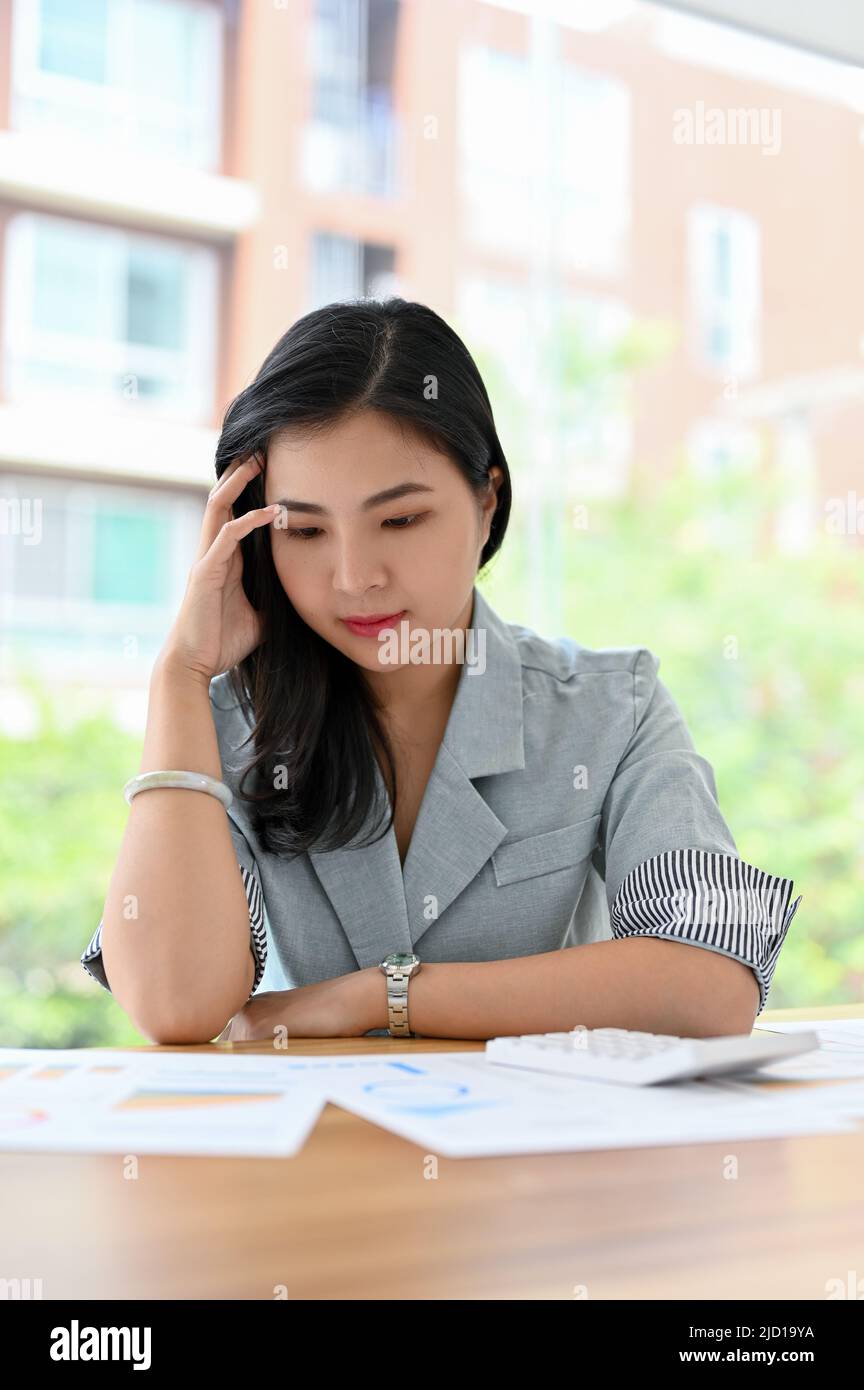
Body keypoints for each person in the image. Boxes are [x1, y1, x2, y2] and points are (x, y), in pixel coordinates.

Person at [81, 298, 801, 1045]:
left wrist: (381, 997)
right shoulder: (222, 725)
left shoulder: (613, 707)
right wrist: (179, 672)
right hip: (315, 1157)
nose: (354, 577)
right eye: (304, 530)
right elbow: (175, 1003)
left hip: (532, 1156)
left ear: (486, 502)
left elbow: (713, 982)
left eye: (399, 520)